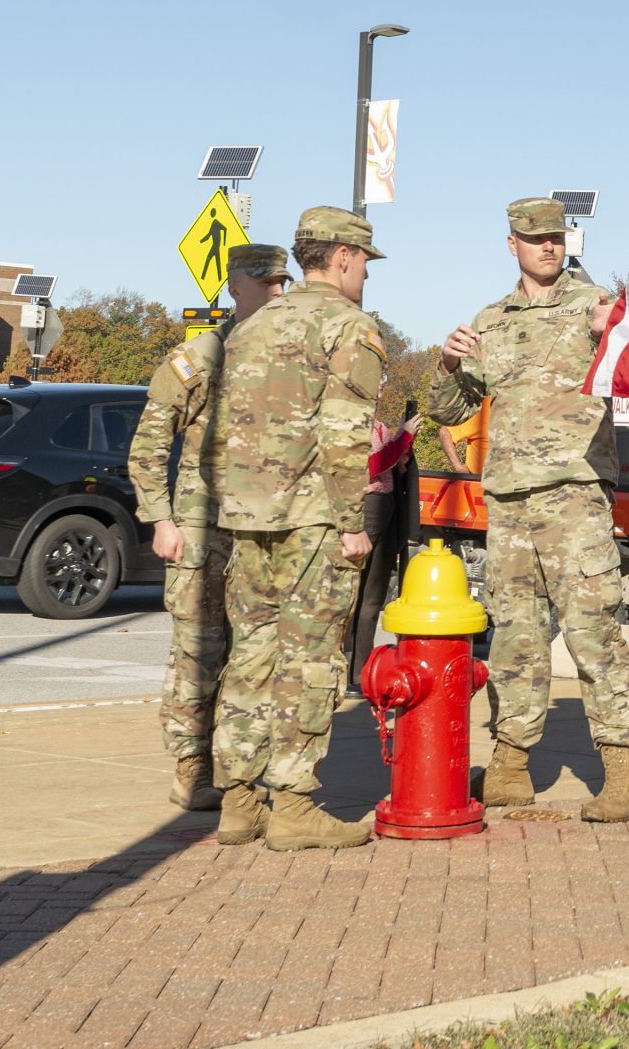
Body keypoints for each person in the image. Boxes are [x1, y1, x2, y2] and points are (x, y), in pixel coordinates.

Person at [425, 197, 629, 823]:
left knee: (593, 628)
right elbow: (447, 409)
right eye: (533, 238)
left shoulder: (596, 307)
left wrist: (620, 330)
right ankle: (512, 761)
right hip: (510, 499)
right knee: (515, 634)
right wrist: (445, 362)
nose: (546, 247)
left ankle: (620, 767)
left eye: (555, 237)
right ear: (512, 244)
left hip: (575, 491)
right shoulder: (490, 322)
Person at [210, 208, 389, 851]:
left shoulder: (252, 327)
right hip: (312, 520)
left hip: (248, 517)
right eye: (365, 261)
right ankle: (292, 805)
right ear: (342, 257)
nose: (367, 274)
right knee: (311, 658)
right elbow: (344, 436)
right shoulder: (348, 326)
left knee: (250, 654)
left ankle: (237, 801)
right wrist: (351, 523)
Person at [126, 243, 292, 812]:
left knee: (255, 652)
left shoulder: (284, 356)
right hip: (200, 525)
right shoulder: (199, 356)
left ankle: (241, 770)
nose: (276, 293)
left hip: (262, 527)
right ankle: (193, 767)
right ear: (234, 287)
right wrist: (160, 519)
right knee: (199, 649)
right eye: (265, 283)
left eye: (282, 284)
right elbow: (148, 445)